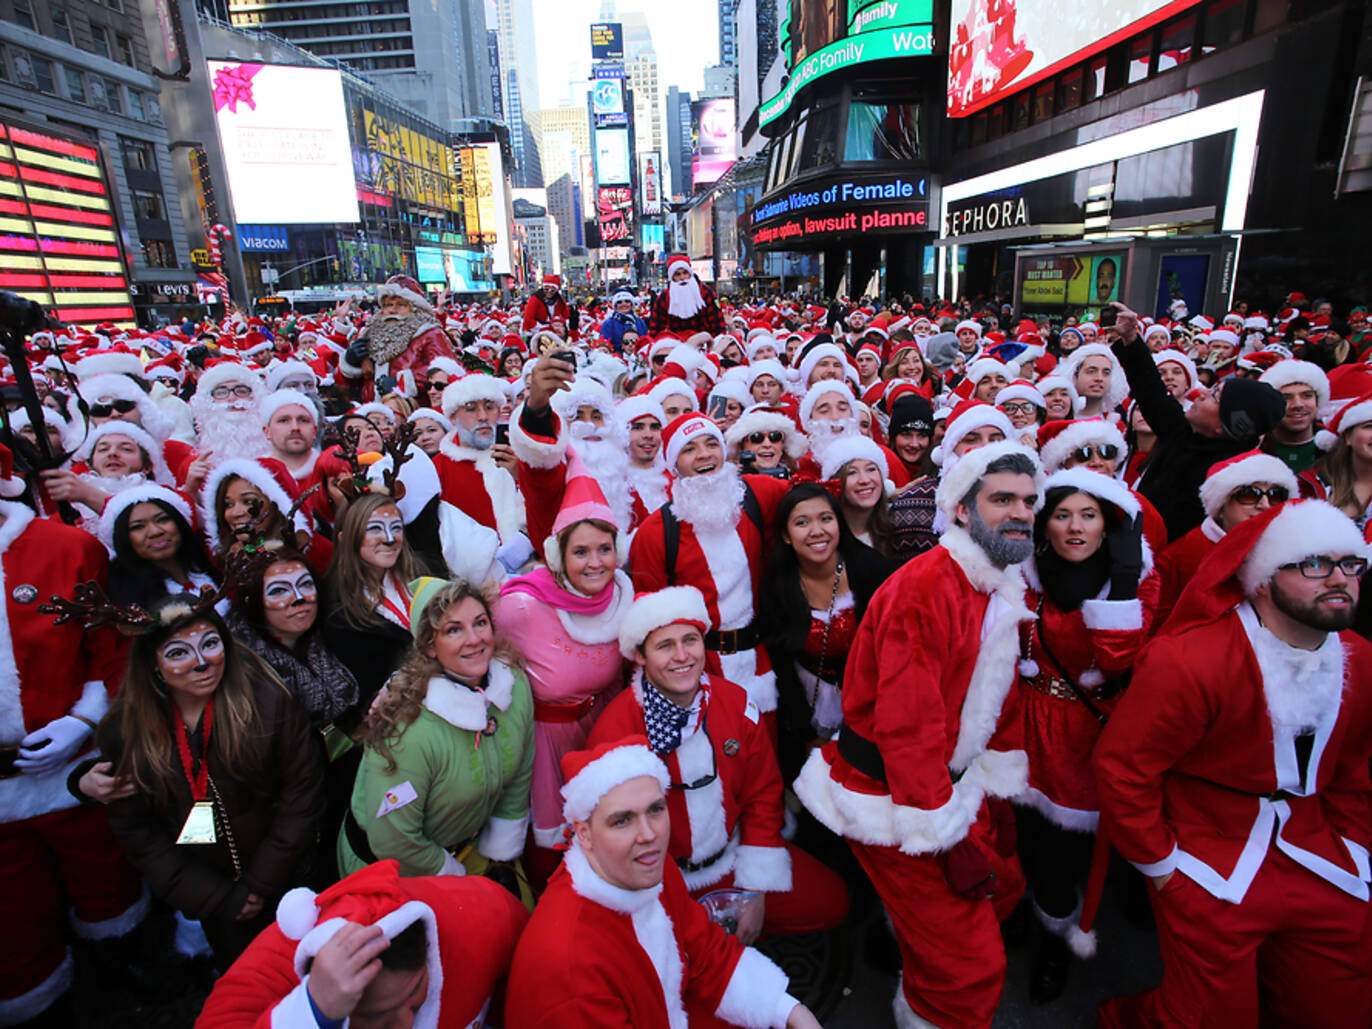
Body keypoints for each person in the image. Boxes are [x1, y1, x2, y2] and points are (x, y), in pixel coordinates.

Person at [1094, 500, 1372, 1028]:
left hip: (1324, 856)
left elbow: (1356, 764)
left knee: (1341, 1008)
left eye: (1350, 564)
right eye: (1313, 564)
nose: (1338, 579)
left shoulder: (1362, 657)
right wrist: (1162, 868)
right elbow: (1125, 769)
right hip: (1208, 858)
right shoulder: (1191, 661)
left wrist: (1355, 841)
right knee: (1210, 1018)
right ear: (1263, 580)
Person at [796, 441, 1040, 1029]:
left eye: (1029, 501)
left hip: (947, 784)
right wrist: (945, 836)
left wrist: (993, 786)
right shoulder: (927, 589)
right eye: (1001, 499)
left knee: (1002, 889)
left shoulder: (996, 581)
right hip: (897, 796)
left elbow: (987, 699)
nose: (1021, 513)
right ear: (961, 509)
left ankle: (916, 958)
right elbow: (908, 725)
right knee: (969, 966)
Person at [505, 736, 823, 1028]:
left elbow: (703, 948)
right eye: (622, 820)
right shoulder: (570, 970)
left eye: (655, 809)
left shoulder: (646, 865)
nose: (648, 835)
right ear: (584, 833)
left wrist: (791, 1011)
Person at [589, 588, 849, 939]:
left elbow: (763, 793)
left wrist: (755, 888)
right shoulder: (616, 727)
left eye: (691, 641)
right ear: (640, 655)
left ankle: (737, 934)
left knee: (830, 902)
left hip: (731, 860)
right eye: (665, 645)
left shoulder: (734, 702)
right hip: (661, 882)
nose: (682, 656)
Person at [90, 593, 324, 965]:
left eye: (210, 644)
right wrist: (212, 897)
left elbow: (302, 792)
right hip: (213, 897)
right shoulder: (126, 731)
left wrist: (260, 883)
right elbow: (138, 832)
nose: (202, 663)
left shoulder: (268, 703)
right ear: (153, 663)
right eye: (179, 652)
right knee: (247, 977)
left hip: (287, 878)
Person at [0, 448, 146, 1028]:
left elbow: (108, 651)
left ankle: (124, 969)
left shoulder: (66, 548)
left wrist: (84, 722)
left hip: (74, 768)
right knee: (12, 914)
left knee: (105, 877)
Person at [1006, 467, 1156, 1002]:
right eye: (1062, 515)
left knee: (1070, 856)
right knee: (1026, 844)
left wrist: (1121, 580)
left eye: (1088, 516)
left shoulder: (1136, 581)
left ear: (1107, 526)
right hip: (1025, 729)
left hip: (1089, 740)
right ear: (1042, 525)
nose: (1074, 527)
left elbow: (1118, 660)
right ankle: (1032, 915)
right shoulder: (1024, 574)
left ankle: (1058, 942)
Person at [339, 579, 534, 894]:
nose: (474, 639)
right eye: (454, 630)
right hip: (397, 871)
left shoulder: (513, 687)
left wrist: (501, 850)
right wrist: (455, 878)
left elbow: (521, 769)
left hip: (473, 853)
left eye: (480, 623)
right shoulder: (407, 728)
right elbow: (394, 839)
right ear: (429, 645)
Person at [496, 461, 634, 875]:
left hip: (598, 735)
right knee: (554, 859)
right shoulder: (520, 607)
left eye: (604, 549)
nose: (596, 563)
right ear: (558, 557)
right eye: (581, 551)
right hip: (543, 749)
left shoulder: (623, 599)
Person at [193, 859, 528, 1028]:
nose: (406, 1024)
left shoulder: (485, 914)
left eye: (414, 996)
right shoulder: (278, 962)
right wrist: (312, 1010)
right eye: (379, 1018)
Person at [630, 414, 793, 722]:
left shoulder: (759, 494)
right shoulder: (655, 532)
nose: (704, 454)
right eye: (689, 448)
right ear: (674, 464)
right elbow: (648, 621)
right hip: (700, 669)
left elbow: (813, 503)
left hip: (761, 660)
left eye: (710, 444)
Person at [1109, 302, 1287, 540]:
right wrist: (1131, 338)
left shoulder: (1224, 481)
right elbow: (1152, 392)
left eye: (1214, 397)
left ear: (1224, 426)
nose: (1201, 393)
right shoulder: (1186, 435)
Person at [758, 484, 895, 781]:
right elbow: (781, 665)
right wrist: (806, 734)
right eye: (802, 523)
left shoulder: (872, 570)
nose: (817, 531)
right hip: (806, 708)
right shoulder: (776, 587)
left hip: (874, 707)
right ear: (785, 535)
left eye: (826, 518)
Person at [1153, 451, 1298, 631]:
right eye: (1249, 494)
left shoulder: (1296, 553)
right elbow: (1158, 628)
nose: (1265, 505)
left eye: (1276, 495)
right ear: (1221, 506)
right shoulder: (1179, 557)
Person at [321, 492, 425, 713]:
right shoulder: (338, 614)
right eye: (375, 528)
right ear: (346, 537)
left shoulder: (424, 577)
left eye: (396, 527)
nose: (389, 538)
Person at [339, 276, 458, 402]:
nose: (392, 310)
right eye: (387, 305)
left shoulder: (431, 333)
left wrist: (402, 382)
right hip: (374, 414)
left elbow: (447, 370)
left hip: (412, 411)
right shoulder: (369, 334)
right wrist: (351, 362)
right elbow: (350, 384)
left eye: (400, 305)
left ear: (416, 308)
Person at [100, 485, 220, 609]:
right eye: (138, 527)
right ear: (124, 539)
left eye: (162, 520)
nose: (155, 532)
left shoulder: (214, 565)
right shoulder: (127, 600)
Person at [823, 435, 895, 554]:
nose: (864, 480)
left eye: (871, 469)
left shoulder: (895, 530)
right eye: (852, 472)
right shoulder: (826, 537)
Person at [648, 254, 728, 338]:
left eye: (685, 273)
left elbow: (717, 324)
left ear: (690, 273)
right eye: (678, 274)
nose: (682, 278)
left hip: (704, 343)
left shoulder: (705, 293)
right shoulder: (664, 297)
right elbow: (656, 328)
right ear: (673, 278)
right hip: (674, 346)